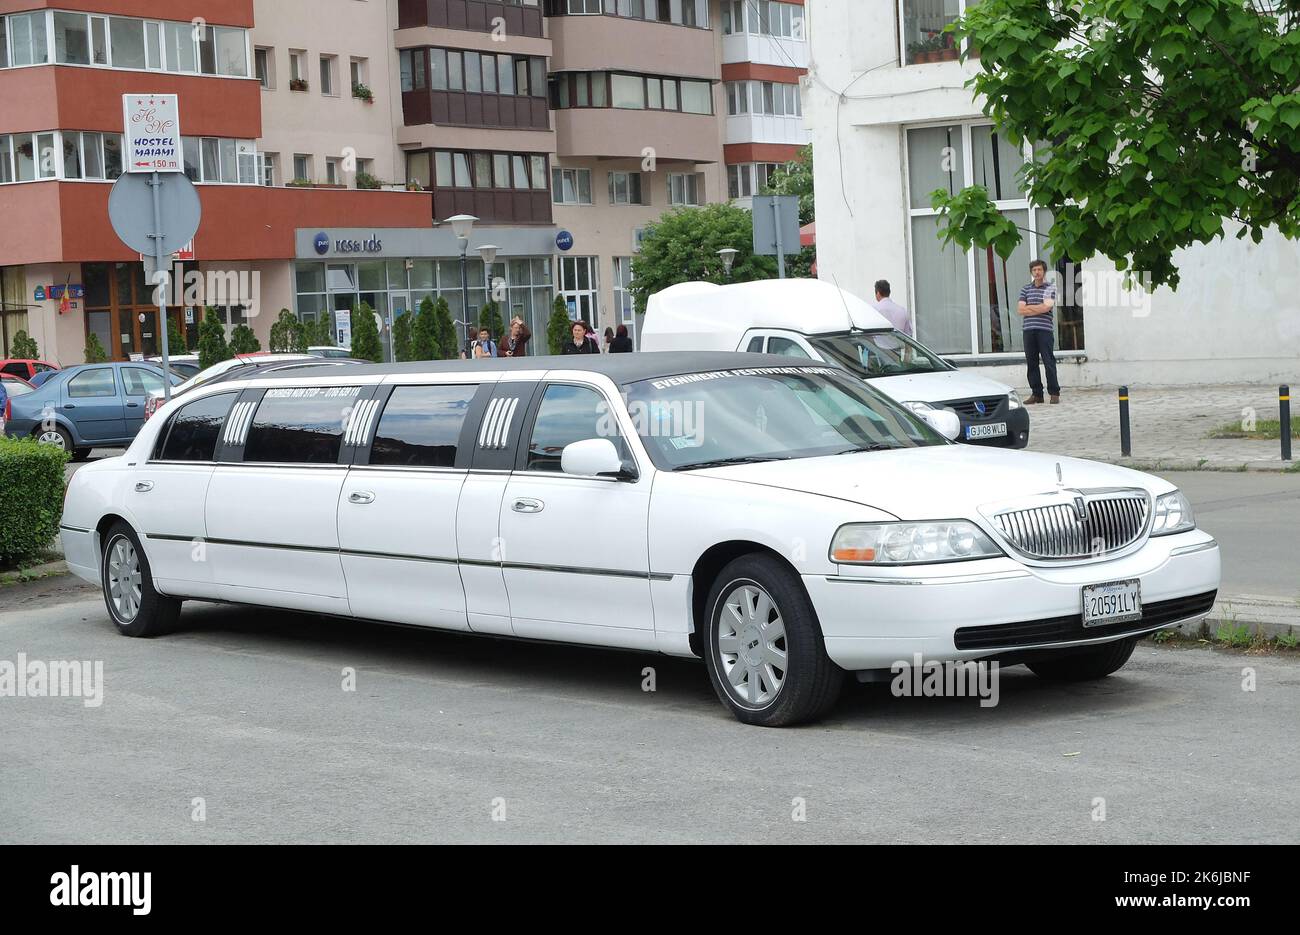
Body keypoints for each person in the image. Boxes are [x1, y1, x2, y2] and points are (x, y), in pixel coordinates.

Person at [1017, 258, 1060, 404]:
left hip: (1045, 330)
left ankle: (1054, 393)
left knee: (1049, 361)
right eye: (1034, 270)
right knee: (1032, 363)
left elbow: (1046, 308)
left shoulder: (1050, 288)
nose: (1037, 272)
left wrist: (1030, 308)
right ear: (1031, 272)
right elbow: (1020, 310)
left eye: (1039, 269)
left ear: (1044, 271)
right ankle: (1037, 394)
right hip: (1028, 331)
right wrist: (1038, 308)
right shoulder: (1025, 289)